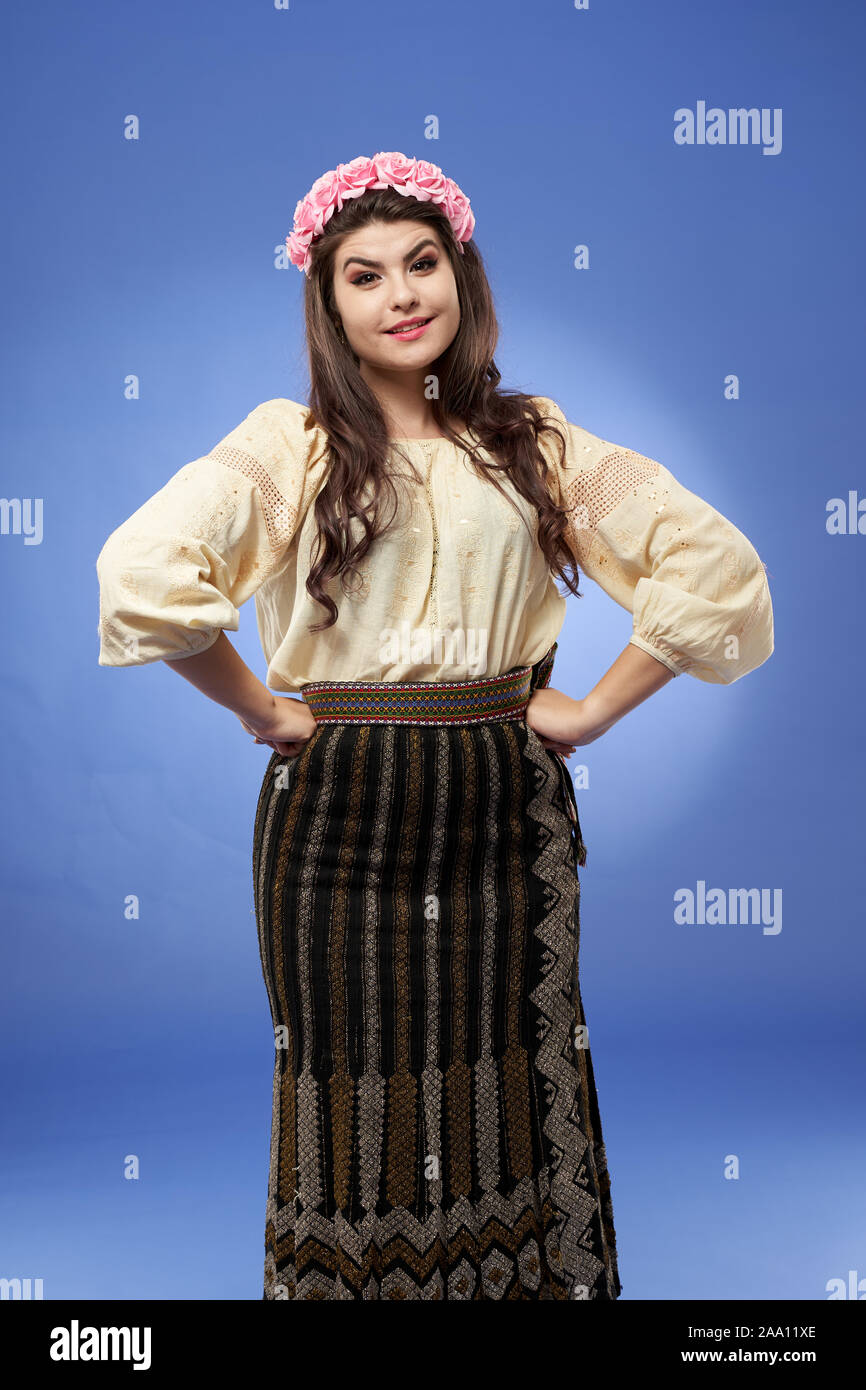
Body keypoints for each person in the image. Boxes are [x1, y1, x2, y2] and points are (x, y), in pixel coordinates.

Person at [95, 151, 774, 1301]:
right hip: (332, 824)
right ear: (328, 303)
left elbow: (713, 564)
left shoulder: (531, 442)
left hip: (501, 812)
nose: (401, 294)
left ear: (460, 275)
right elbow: (140, 575)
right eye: (363, 276)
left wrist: (598, 706)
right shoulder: (289, 448)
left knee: (509, 1077)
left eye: (422, 263)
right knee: (347, 1093)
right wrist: (260, 706)